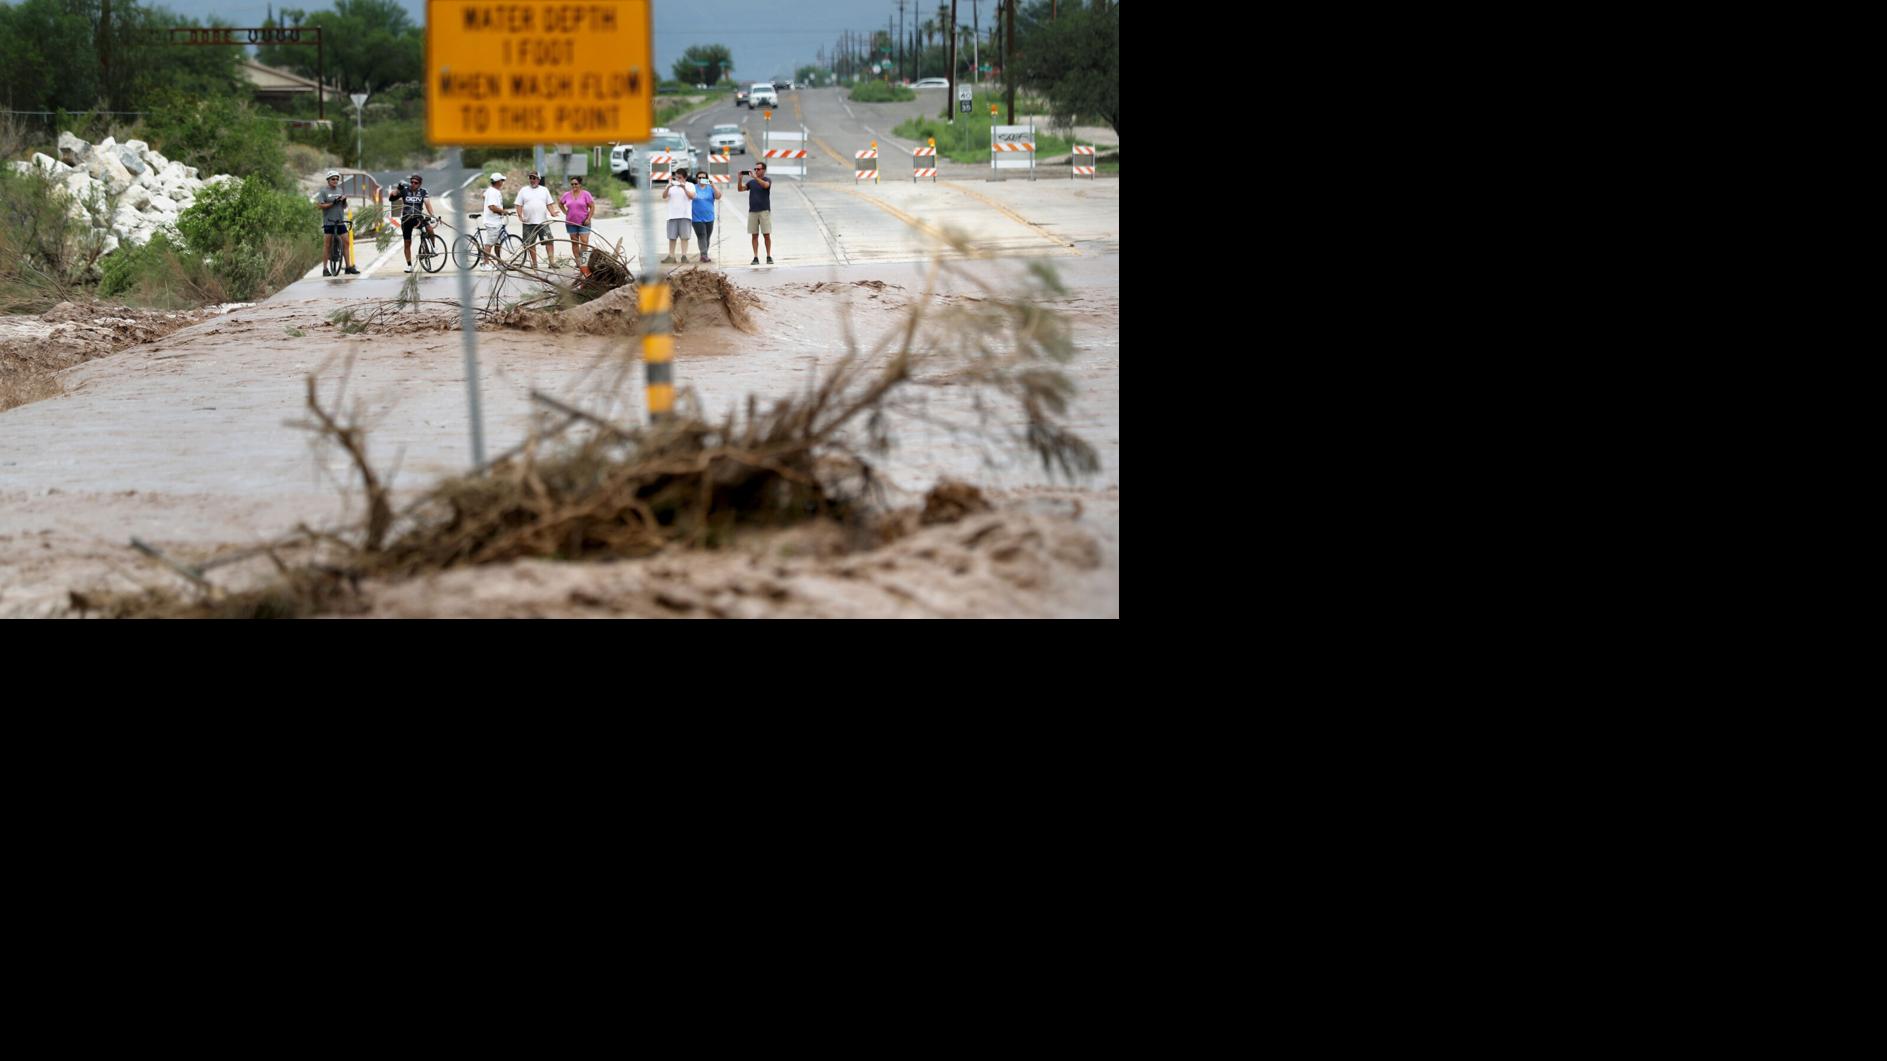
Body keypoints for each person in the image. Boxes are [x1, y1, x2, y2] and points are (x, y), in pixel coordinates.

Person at [315, 171, 359, 274]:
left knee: (346, 242)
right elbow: (320, 206)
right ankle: (325, 269)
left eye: (337, 179)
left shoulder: (340, 190)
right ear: (328, 180)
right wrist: (333, 203)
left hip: (340, 221)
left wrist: (343, 200)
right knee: (327, 245)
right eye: (333, 179)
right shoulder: (323, 192)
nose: (335, 181)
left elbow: (344, 207)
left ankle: (348, 267)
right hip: (329, 222)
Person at [515, 170, 561, 269]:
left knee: (549, 241)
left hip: (543, 222)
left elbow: (549, 203)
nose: (532, 180)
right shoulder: (523, 190)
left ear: (539, 179)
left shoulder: (544, 190)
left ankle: (551, 262)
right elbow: (518, 204)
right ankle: (534, 264)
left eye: (534, 178)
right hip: (528, 222)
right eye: (530, 178)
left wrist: (552, 212)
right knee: (530, 243)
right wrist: (520, 215)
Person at [393, 172, 436, 273]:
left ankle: (433, 248)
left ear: (420, 184)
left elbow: (427, 204)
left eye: (416, 183)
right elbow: (393, 196)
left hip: (418, 218)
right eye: (412, 182)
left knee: (429, 229)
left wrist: (432, 215)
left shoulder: (423, 192)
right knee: (407, 243)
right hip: (406, 219)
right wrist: (398, 188)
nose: (413, 184)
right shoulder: (404, 190)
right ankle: (409, 265)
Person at [737, 161, 773, 264]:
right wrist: (740, 179)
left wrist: (755, 177)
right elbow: (740, 189)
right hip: (753, 211)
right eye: (755, 169)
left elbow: (766, 186)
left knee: (766, 234)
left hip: (764, 211)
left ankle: (768, 256)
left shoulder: (767, 180)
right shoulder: (751, 183)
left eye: (758, 169)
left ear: (763, 170)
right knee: (754, 235)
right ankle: (755, 257)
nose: (756, 171)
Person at [560, 175, 597, 266]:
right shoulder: (567, 195)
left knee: (584, 241)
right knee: (574, 242)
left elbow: (592, 206)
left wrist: (588, 218)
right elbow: (560, 203)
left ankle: (584, 262)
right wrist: (565, 212)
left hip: (584, 222)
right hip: (571, 222)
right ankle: (578, 262)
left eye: (576, 184)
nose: (574, 186)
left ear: (580, 184)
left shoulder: (586, 194)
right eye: (572, 184)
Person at [663, 167, 695, 263]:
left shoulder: (690, 185)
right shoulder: (671, 186)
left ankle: (684, 256)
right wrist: (668, 187)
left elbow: (692, 196)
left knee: (684, 237)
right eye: (676, 177)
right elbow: (664, 196)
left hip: (685, 215)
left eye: (680, 177)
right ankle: (671, 256)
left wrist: (684, 187)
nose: (677, 179)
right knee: (672, 237)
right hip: (672, 215)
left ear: (685, 178)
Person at [480, 172, 510, 268]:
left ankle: (499, 262)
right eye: (502, 180)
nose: (503, 182)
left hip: (497, 221)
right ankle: (485, 264)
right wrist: (503, 211)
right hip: (492, 222)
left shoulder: (491, 191)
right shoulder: (493, 192)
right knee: (489, 243)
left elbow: (484, 196)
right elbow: (492, 207)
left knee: (498, 243)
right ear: (497, 182)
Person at [690, 169, 720, 264]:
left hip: (709, 217)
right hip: (696, 217)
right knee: (701, 235)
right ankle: (704, 255)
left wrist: (713, 185)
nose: (701, 179)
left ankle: (704, 254)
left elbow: (718, 196)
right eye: (700, 178)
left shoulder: (710, 188)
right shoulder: (693, 187)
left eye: (704, 177)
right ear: (696, 179)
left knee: (707, 237)